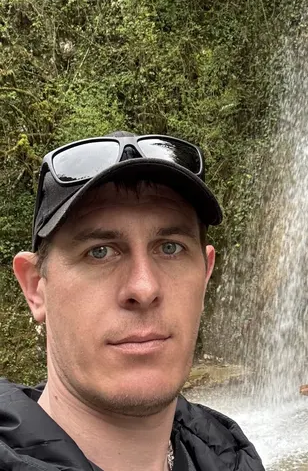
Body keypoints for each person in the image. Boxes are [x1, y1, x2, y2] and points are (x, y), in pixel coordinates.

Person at [0, 132, 264, 471]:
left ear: (205, 276)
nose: (144, 288)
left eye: (170, 247)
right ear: (36, 288)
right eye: (99, 252)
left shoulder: (231, 456)